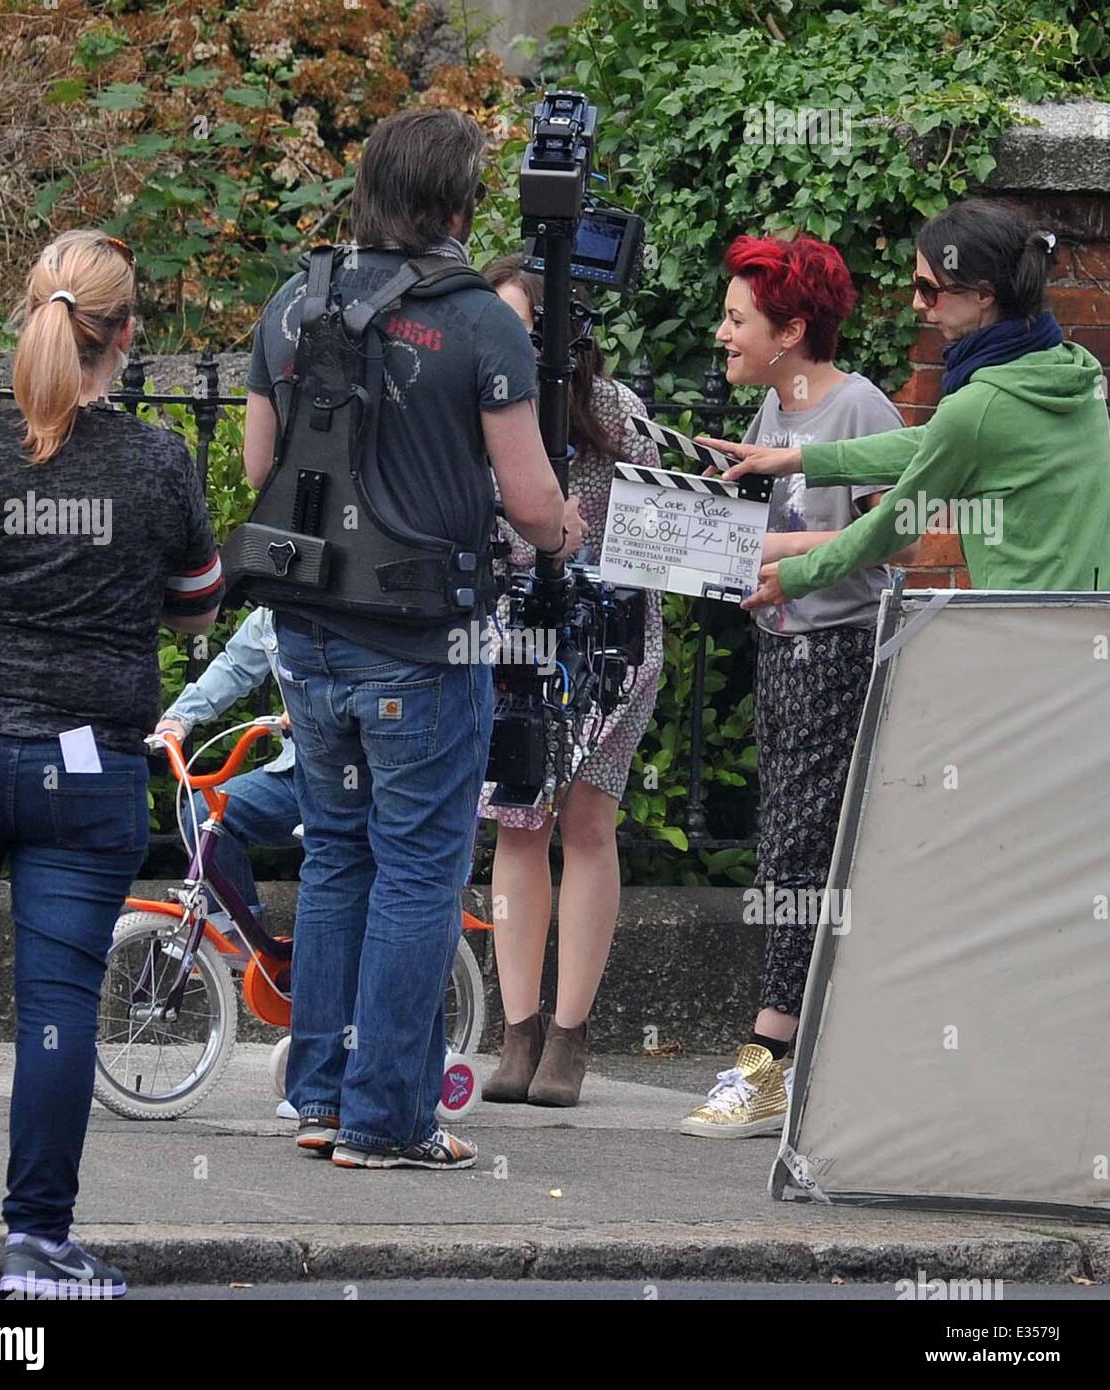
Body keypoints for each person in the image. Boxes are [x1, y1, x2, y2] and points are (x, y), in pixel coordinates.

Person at [242, 108, 583, 1169]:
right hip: (424, 648)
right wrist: (566, 531)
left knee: (338, 857)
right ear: (455, 203)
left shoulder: (295, 302)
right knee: (418, 873)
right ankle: (387, 1119)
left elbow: (262, 470)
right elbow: (530, 502)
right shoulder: (480, 321)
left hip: (308, 638)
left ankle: (319, 1097)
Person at [0, 230, 223, 1295]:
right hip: (82, 773)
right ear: (125, 335)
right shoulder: (160, 461)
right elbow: (195, 604)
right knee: (54, 999)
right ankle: (37, 1242)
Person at [680, 233, 914, 1138]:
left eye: (739, 319)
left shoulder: (856, 408)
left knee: (795, 856)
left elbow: (894, 540)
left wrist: (765, 549)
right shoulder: (775, 415)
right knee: (793, 850)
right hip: (784, 651)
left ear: (791, 329)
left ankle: (766, 1059)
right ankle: (807, 1061)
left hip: (840, 653)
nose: (722, 332)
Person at [712, 200, 1110, 605]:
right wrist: (796, 460)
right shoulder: (1075, 372)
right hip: (1090, 624)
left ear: (983, 295)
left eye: (929, 289)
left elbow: (896, 524)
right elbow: (934, 440)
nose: (918, 304)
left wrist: (798, 575)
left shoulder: (978, 408)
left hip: (1021, 631)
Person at [476, 255, 664, 1107]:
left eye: (521, 328)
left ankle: (569, 1035)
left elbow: (664, 525)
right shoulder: (471, 401)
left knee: (588, 818)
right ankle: (515, 1031)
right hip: (511, 633)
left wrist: (585, 544)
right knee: (517, 818)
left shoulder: (616, 411)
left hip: (606, 637)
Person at [156, 605, 301, 936]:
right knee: (206, 811)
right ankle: (238, 938)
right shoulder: (269, 614)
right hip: (297, 770)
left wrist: (320, 709)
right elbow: (234, 667)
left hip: (357, 775)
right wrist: (178, 718)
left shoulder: (350, 601)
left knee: (333, 872)